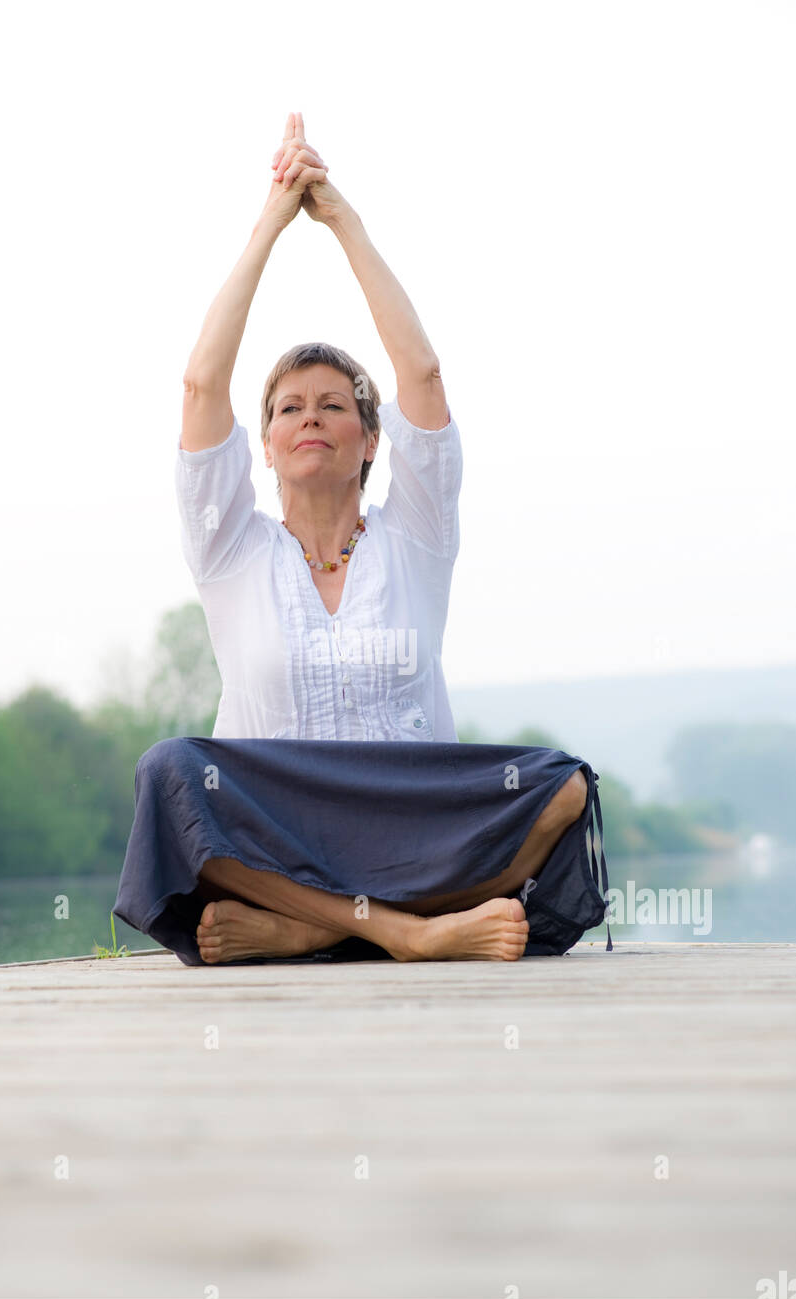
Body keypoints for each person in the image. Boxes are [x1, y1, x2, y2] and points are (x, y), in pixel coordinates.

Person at [112, 113, 611, 967]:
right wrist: (270, 220)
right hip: (273, 825)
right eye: (288, 408)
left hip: (415, 823)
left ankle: (313, 930)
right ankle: (408, 932)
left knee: (561, 785)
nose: (310, 416)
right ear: (261, 446)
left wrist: (339, 216)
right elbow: (201, 382)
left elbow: (420, 375)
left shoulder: (417, 533)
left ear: (370, 441)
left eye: (333, 404)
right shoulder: (231, 547)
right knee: (168, 770)